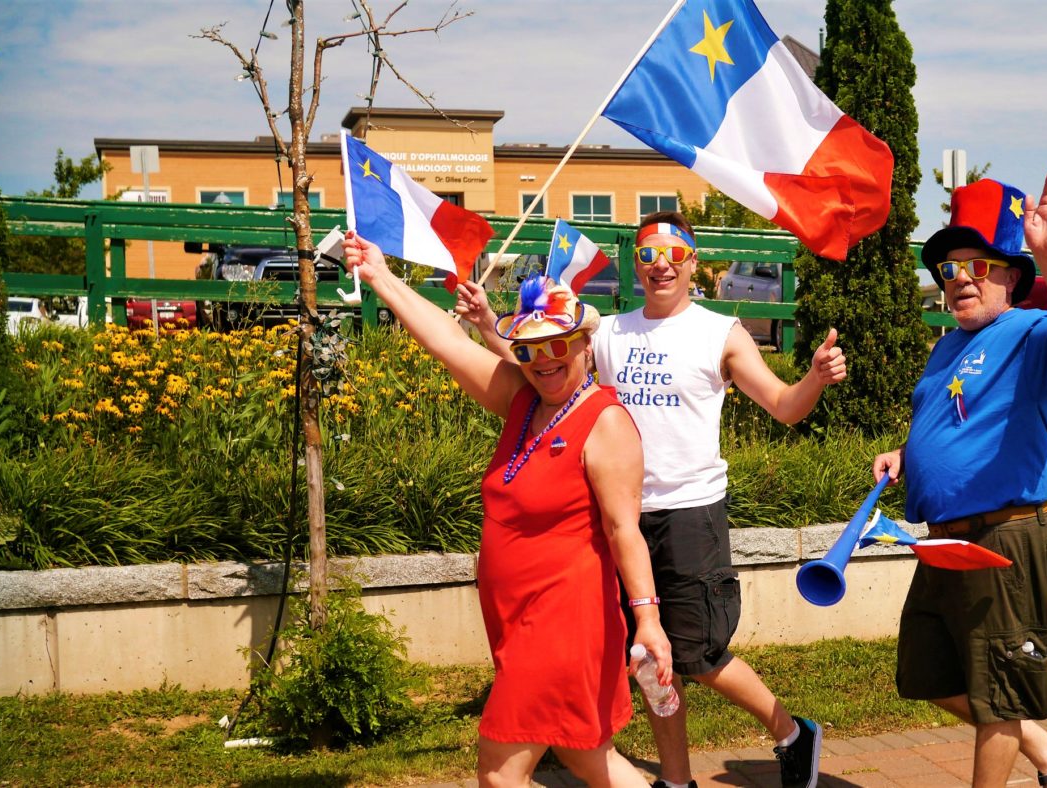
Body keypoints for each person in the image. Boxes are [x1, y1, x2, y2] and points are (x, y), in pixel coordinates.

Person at [459, 211, 846, 788]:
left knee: (696, 656)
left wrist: (814, 376)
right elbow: (539, 359)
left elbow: (785, 406)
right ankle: (676, 780)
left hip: (690, 513)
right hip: (615, 519)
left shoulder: (721, 333)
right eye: (647, 255)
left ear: (694, 262)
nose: (660, 264)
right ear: (636, 265)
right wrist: (492, 322)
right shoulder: (610, 331)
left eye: (674, 254)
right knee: (647, 661)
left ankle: (792, 732)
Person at [342, 231, 673, 788]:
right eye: (527, 348)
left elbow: (624, 530)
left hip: (564, 624)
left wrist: (647, 618)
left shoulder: (605, 422)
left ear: (585, 344)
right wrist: (379, 275)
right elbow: (447, 342)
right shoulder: (523, 400)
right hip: (518, 621)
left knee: (499, 771)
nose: (543, 360)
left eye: (556, 345)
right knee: (587, 754)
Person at [872, 174, 1047, 788]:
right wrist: (906, 455)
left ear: (1010, 274)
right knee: (929, 677)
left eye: (974, 265)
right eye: (948, 270)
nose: (960, 279)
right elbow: (952, 422)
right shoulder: (948, 346)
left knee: (998, 696)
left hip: (1003, 541)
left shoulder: (1029, 334)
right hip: (944, 542)